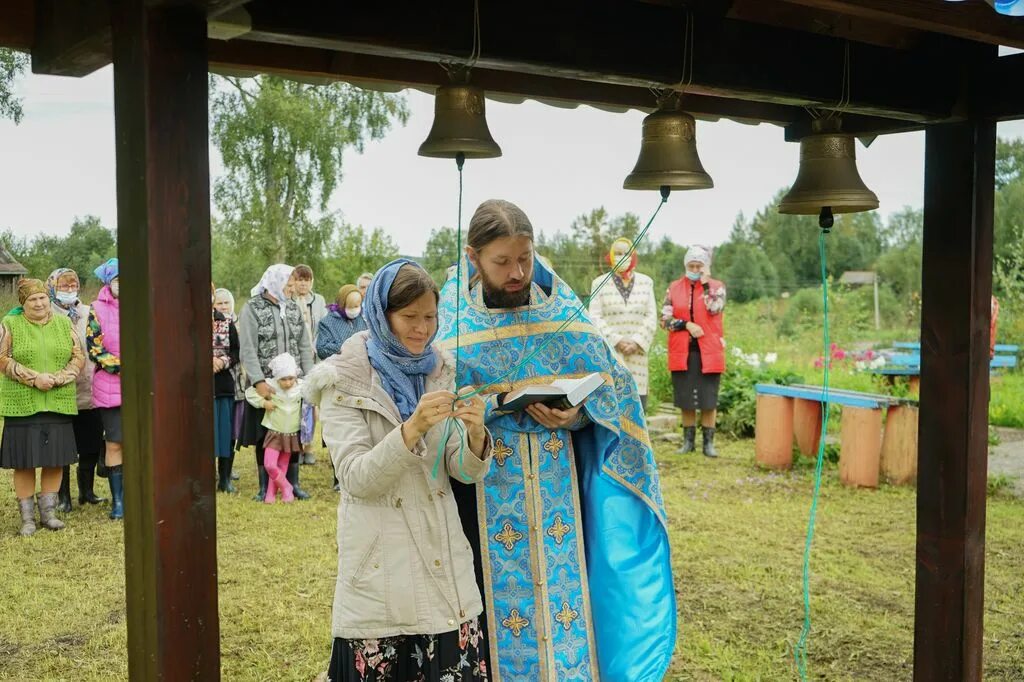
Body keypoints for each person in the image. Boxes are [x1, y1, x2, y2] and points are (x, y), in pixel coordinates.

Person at [436, 200, 676, 681]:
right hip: (482, 488)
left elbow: (614, 385)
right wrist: (487, 403)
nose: (517, 272)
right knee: (485, 610)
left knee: (564, 607)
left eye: (525, 257)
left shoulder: (562, 310)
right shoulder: (452, 321)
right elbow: (434, 396)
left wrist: (579, 415)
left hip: (556, 491)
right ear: (473, 257)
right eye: (502, 262)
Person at [305, 259, 493, 682]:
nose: (422, 328)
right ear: (381, 314)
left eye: (430, 317)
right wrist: (412, 429)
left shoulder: (440, 370)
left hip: (445, 567)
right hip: (380, 573)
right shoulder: (342, 381)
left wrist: (476, 435)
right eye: (410, 317)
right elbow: (355, 478)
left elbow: (458, 472)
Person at [1, 278, 85, 536]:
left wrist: (60, 378)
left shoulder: (64, 324)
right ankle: (27, 518)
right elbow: (2, 357)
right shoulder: (10, 324)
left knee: (55, 460)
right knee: (24, 462)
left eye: (42, 298)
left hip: (58, 401)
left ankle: (48, 514)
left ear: (49, 299)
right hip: (22, 404)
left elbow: (78, 355)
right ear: (23, 303)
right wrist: (33, 378)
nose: (38, 303)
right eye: (32, 300)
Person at [237, 264, 314, 501]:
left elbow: (303, 345)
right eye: (288, 285)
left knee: (292, 432)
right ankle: (264, 487)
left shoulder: (292, 308)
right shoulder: (252, 308)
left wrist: (309, 380)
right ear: (274, 283)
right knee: (265, 434)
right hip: (267, 384)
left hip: (293, 382)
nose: (291, 289)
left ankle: (293, 483)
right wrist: (258, 381)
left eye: (292, 285)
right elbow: (247, 348)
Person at [48, 268, 107, 512]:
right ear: (52, 287)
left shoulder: (88, 312)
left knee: (91, 444)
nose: (69, 289)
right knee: (62, 448)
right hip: (60, 392)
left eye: (73, 285)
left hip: (89, 389)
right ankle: (64, 497)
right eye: (63, 285)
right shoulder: (47, 313)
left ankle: (87, 491)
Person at [661, 245, 727, 458]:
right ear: (686, 265)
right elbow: (665, 320)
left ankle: (709, 444)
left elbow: (715, 308)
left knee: (709, 399)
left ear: (706, 266)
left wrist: (706, 284)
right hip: (682, 351)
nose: (695, 269)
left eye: (699, 265)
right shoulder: (674, 288)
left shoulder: (717, 287)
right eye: (692, 265)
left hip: (709, 351)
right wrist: (686, 325)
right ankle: (688, 442)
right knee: (685, 398)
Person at [586, 237, 658, 409]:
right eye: (618, 253)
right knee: (613, 405)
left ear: (633, 256)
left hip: (637, 355)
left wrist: (637, 342)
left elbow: (651, 316)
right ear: (610, 256)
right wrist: (617, 340)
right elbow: (594, 316)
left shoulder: (646, 282)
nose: (622, 257)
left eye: (626, 253)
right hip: (612, 354)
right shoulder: (599, 283)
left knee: (637, 407)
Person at [87, 258, 126, 520]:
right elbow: (94, 348)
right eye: (117, 280)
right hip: (111, 385)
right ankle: (118, 502)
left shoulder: (144, 305)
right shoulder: (96, 309)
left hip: (142, 388)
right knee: (114, 443)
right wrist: (124, 367)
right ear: (108, 282)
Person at [245, 353, 303, 503]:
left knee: (282, 465)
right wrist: (264, 403)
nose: (288, 383)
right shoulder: (271, 385)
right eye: (283, 379)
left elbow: (314, 391)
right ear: (277, 378)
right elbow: (249, 393)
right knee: (270, 464)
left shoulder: (300, 387)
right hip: (274, 433)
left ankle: (271, 494)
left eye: (291, 378)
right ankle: (286, 487)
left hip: (290, 434)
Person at [291, 264, 327, 466]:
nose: (303, 283)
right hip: (293, 359)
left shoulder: (319, 300)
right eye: (299, 279)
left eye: (306, 279)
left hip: (314, 358)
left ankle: (309, 446)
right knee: (295, 402)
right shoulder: (289, 301)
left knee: (311, 403)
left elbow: (322, 327)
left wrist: (314, 348)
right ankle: (295, 444)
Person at [214, 287, 245, 482]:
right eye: (220, 303)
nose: (224, 306)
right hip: (216, 383)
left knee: (230, 430)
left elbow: (238, 351)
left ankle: (225, 474)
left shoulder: (235, 322)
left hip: (236, 385)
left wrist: (222, 362)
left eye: (227, 302)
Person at [315, 284, 368, 360]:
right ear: (342, 305)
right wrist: (345, 347)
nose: (354, 310)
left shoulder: (362, 319)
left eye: (356, 306)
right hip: (338, 367)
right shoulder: (327, 323)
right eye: (350, 307)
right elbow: (322, 349)